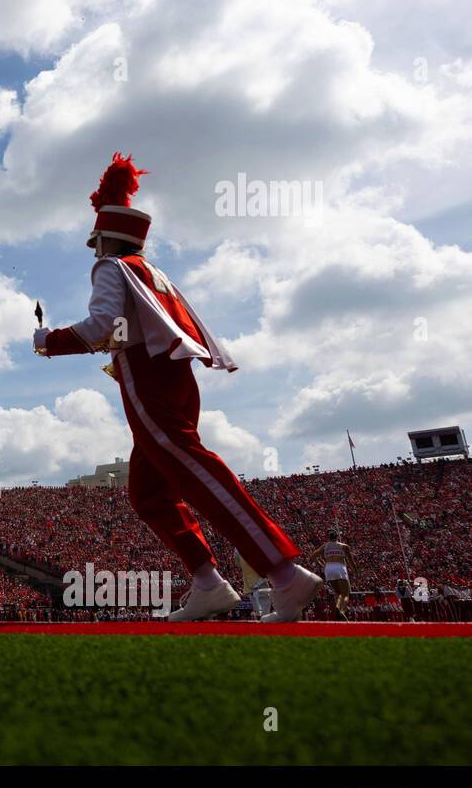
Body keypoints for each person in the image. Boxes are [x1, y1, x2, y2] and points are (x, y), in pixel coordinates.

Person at [33, 153, 320, 622]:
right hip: (175, 374)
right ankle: (209, 583)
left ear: (106, 237)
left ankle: (284, 572)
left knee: (196, 471)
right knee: (148, 493)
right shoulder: (153, 272)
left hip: (148, 377)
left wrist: (49, 342)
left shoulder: (110, 267)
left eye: (95, 240)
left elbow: (105, 326)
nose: (92, 249)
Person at [307, 529, 356, 620]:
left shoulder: (324, 547)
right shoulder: (343, 546)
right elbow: (351, 561)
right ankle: (342, 611)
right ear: (337, 536)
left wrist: (322, 563)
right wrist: (356, 571)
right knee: (345, 594)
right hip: (339, 567)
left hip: (328, 569)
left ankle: (337, 607)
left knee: (337, 592)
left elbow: (312, 557)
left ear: (328, 537)